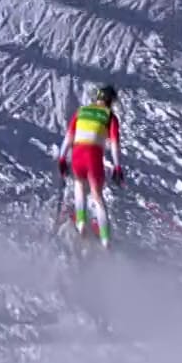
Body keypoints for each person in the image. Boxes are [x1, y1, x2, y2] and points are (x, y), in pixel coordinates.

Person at [56, 83, 125, 247]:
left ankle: (81, 224)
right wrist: (117, 167)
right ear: (110, 101)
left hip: (77, 156)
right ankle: (105, 239)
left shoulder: (81, 112)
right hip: (93, 158)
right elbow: (114, 144)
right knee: (97, 197)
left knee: (79, 187)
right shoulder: (110, 116)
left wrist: (62, 158)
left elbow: (68, 137)